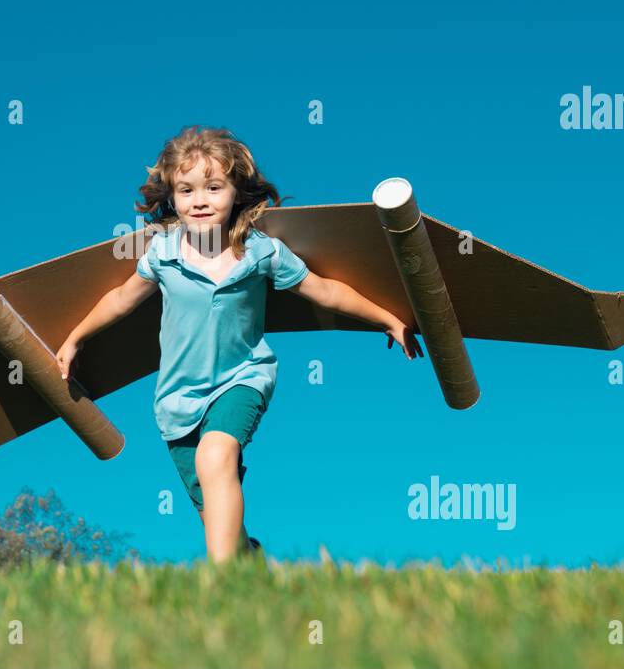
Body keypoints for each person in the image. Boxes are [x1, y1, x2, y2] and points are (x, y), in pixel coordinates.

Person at [56, 125, 423, 563]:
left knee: (216, 455)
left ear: (236, 192)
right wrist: (75, 338)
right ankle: (248, 567)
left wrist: (386, 319)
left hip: (242, 376)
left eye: (214, 187)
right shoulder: (163, 254)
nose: (200, 200)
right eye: (186, 189)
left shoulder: (260, 253)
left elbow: (324, 291)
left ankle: (219, 583)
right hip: (177, 402)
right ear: (171, 198)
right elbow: (119, 300)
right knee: (215, 515)